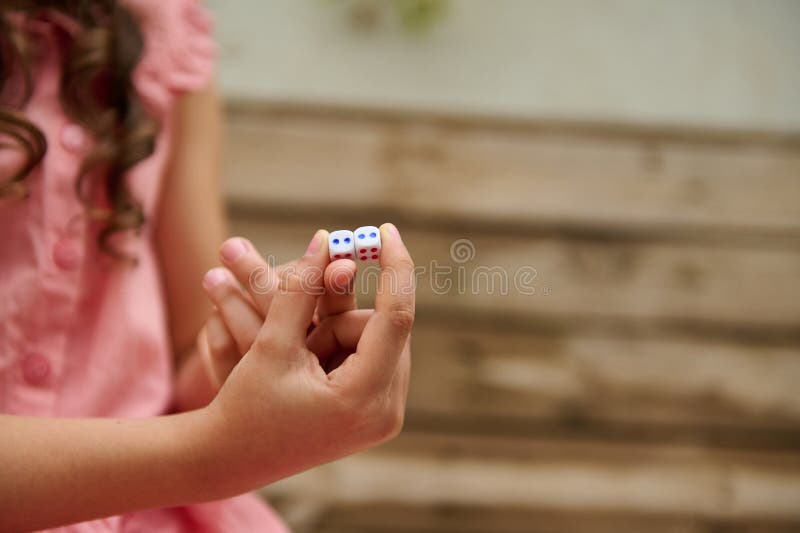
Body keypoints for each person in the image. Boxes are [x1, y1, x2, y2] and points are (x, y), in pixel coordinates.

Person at [0, 1, 414, 531]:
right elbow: (206, 440)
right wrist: (213, 451)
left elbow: (188, 357)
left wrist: (256, 353)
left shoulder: (162, 28)